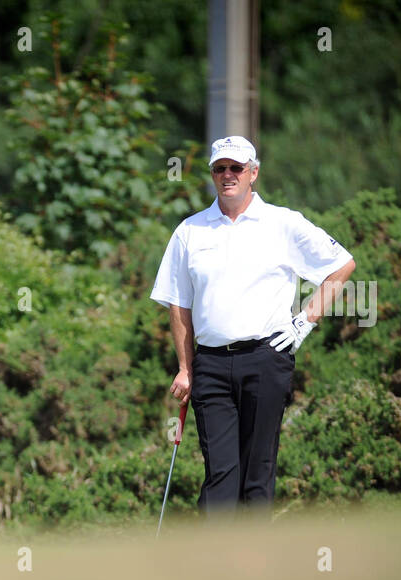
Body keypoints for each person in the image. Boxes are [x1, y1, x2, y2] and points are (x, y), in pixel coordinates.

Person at [149, 135, 356, 517]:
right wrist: (184, 367)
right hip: (210, 366)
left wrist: (304, 323)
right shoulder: (190, 232)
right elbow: (178, 303)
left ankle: (255, 565)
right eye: (219, 168)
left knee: (258, 474)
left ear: (253, 173)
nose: (228, 175)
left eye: (236, 168)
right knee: (220, 476)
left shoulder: (283, 223)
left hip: (266, 358)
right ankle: (217, 563)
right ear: (212, 174)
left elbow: (341, 265)